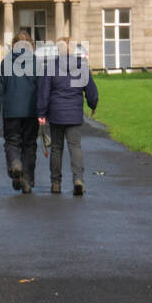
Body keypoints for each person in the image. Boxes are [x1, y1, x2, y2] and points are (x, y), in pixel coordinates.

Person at [37, 38, 99, 196]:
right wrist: (93, 105)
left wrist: (41, 113)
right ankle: (78, 180)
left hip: (56, 114)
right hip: (74, 113)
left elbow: (44, 92)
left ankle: (55, 183)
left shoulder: (51, 66)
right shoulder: (81, 66)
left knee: (56, 149)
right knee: (75, 147)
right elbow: (91, 91)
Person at [0, 31, 39, 194]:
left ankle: (15, 163)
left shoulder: (6, 62)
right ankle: (27, 180)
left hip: (11, 111)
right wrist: (44, 111)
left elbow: (0, 89)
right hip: (31, 110)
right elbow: (42, 89)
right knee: (29, 145)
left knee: (12, 142)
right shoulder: (36, 62)